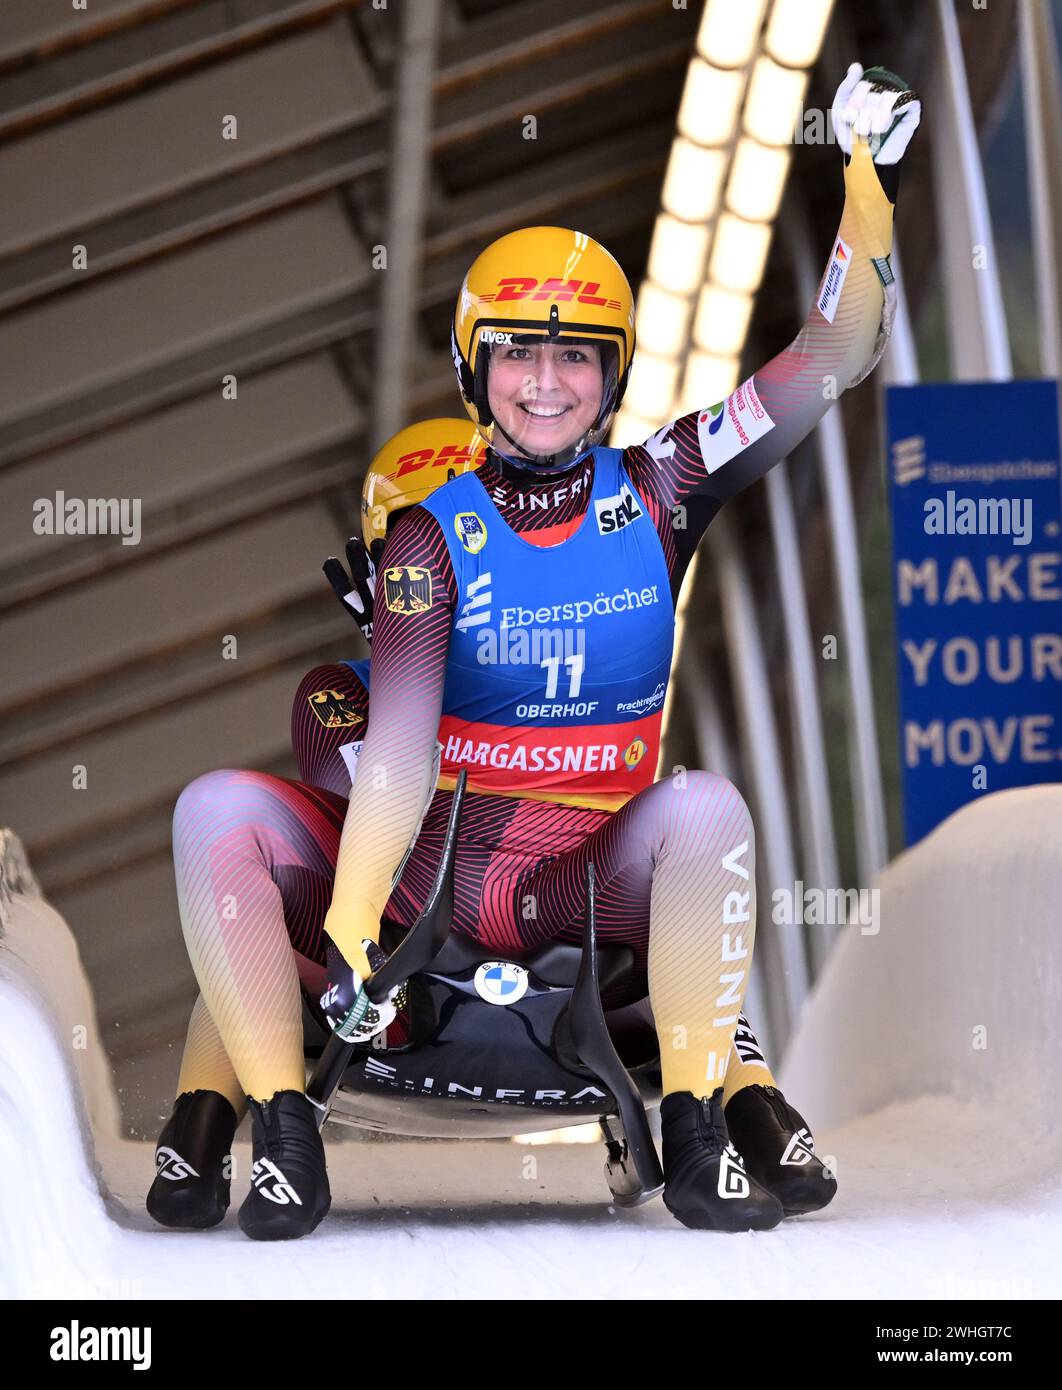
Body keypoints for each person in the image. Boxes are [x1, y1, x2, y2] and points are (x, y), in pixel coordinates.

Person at [153, 62, 921, 1239]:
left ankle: (705, 1121)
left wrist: (867, 194)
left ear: (611, 375)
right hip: (433, 881)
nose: (547, 383)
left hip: (582, 884)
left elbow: (829, 359)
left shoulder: (669, 484)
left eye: (574, 357)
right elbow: (396, 761)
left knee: (707, 808)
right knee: (213, 808)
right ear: (478, 371)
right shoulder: (429, 535)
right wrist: (358, 921)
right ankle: (282, 1131)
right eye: (520, 354)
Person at [149, 419, 833, 1234]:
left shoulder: (577, 669)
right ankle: (248, 1133)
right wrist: (415, 665)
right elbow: (372, 817)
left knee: (697, 855)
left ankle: (740, 1112)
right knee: (235, 902)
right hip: (404, 967)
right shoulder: (337, 691)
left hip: (567, 934)